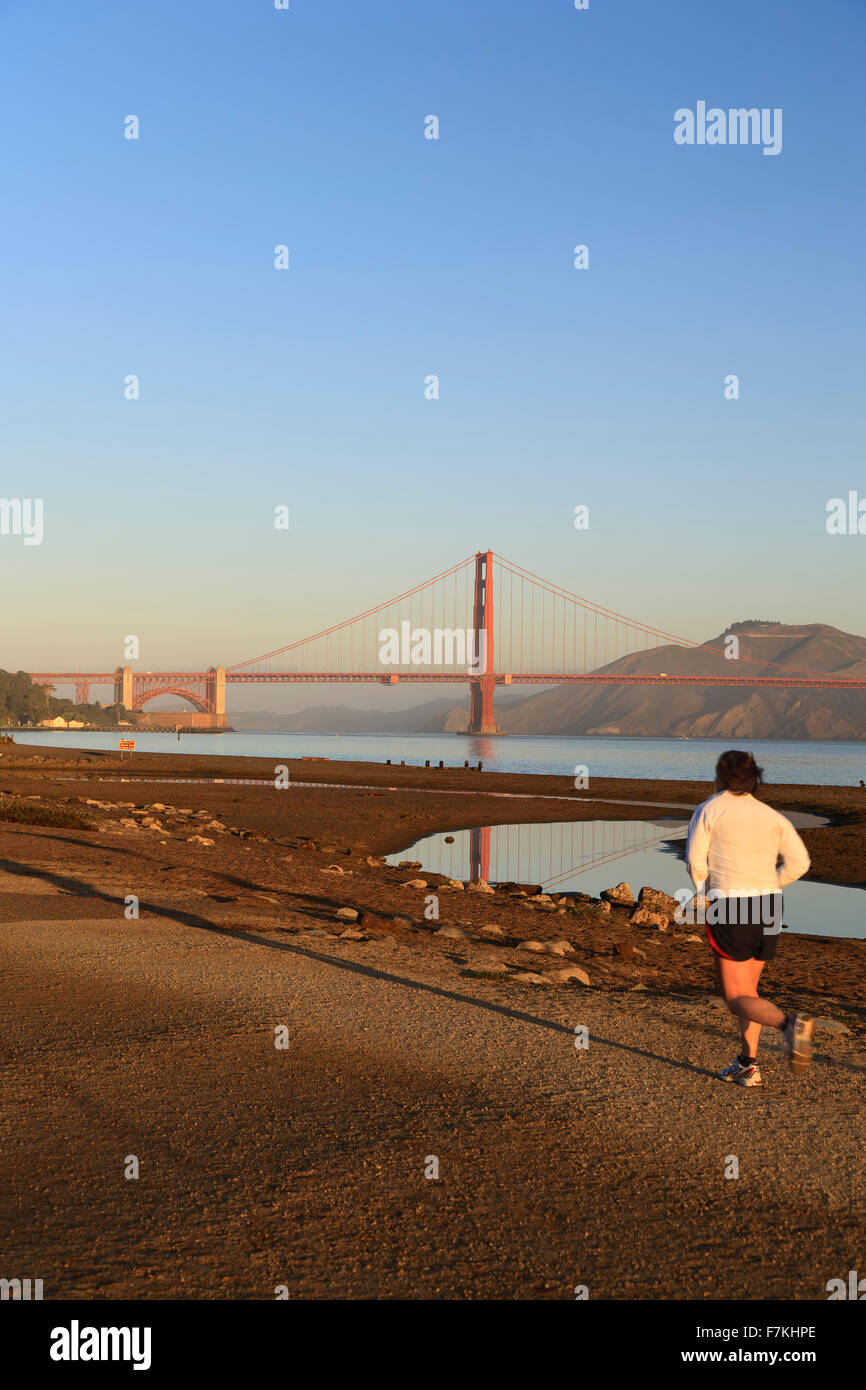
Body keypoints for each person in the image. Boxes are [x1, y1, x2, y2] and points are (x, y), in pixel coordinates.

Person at [686, 749, 814, 1086]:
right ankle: (747, 1064)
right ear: (755, 777)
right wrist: (771, 883)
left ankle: (790, 1024)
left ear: (719, 776)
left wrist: (704, 892)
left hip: (731, 905)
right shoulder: (772, 816)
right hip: (770, 906)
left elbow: (695, 861)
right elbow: (800, 863)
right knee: (749, 990)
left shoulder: (710, 808)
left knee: (734, 998)